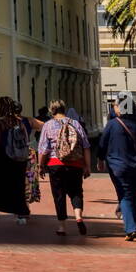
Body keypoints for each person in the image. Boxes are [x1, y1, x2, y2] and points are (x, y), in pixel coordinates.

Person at [97, 91, 136, 241]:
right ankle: (135, 228)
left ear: (120, 108)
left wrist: (100, 160)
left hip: (118, 168)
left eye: (116, 105)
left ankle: (131, 228)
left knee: (125, 195)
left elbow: (101, 145)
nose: (114, 108)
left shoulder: (112, 125)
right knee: (133, 197)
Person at [38, 100, 91, 236]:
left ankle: (62, 226)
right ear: (64, 109)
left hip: (55, 164)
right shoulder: (75, 123)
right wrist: (87, 166)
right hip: (75, 163)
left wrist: (41, 166)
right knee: (76, 192)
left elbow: (44, 149)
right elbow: (85, 146)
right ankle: (78, 216)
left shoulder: (48, 125)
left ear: (52, 111)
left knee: (59, 194)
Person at [0, 96, 30, 223]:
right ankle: (21, 214)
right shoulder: (18, 122)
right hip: (19, 160)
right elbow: (26, 140)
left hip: (3, 159)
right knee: (18, 186)